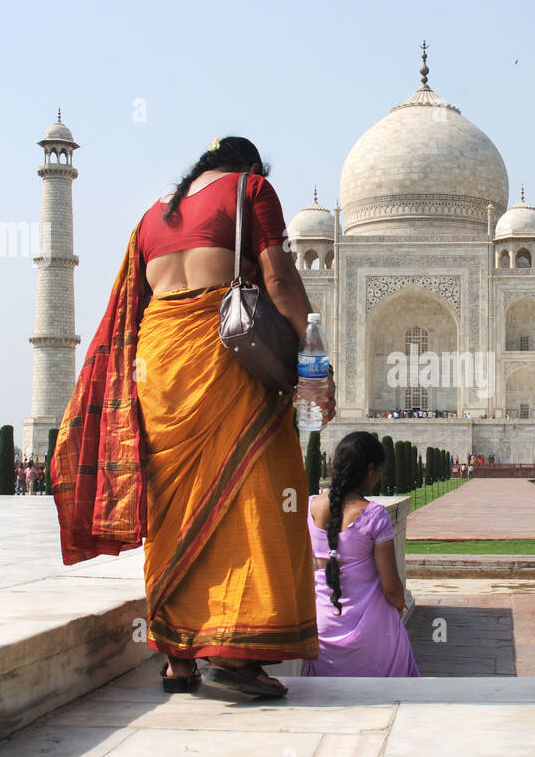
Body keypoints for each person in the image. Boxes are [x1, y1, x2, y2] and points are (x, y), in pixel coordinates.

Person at [51, 135, 334, 698]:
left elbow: (131, 311)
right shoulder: (252, 190)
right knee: (258, 490)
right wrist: (314, 355)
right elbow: (278, 280)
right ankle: (237, 651)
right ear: (250, 167)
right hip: (220, 351)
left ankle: (178, 657)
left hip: (158, 363)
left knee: (175, 506)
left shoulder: (151, 217)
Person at [302, 432, 418, 677]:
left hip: (323, 625)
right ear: (369, 469)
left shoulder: (311, 506)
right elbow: (392, 588)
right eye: (378, 471)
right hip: (371, 633)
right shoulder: (373, 515)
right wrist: (400, 606)